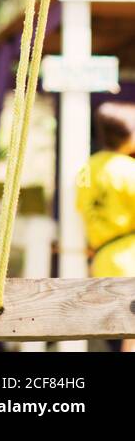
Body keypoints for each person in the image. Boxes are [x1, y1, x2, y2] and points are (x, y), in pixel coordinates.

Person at [77, 100, 135, 351]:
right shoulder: (127, 170)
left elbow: (81, 208)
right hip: (129, 259)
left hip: (101, 260)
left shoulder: (87, 167)